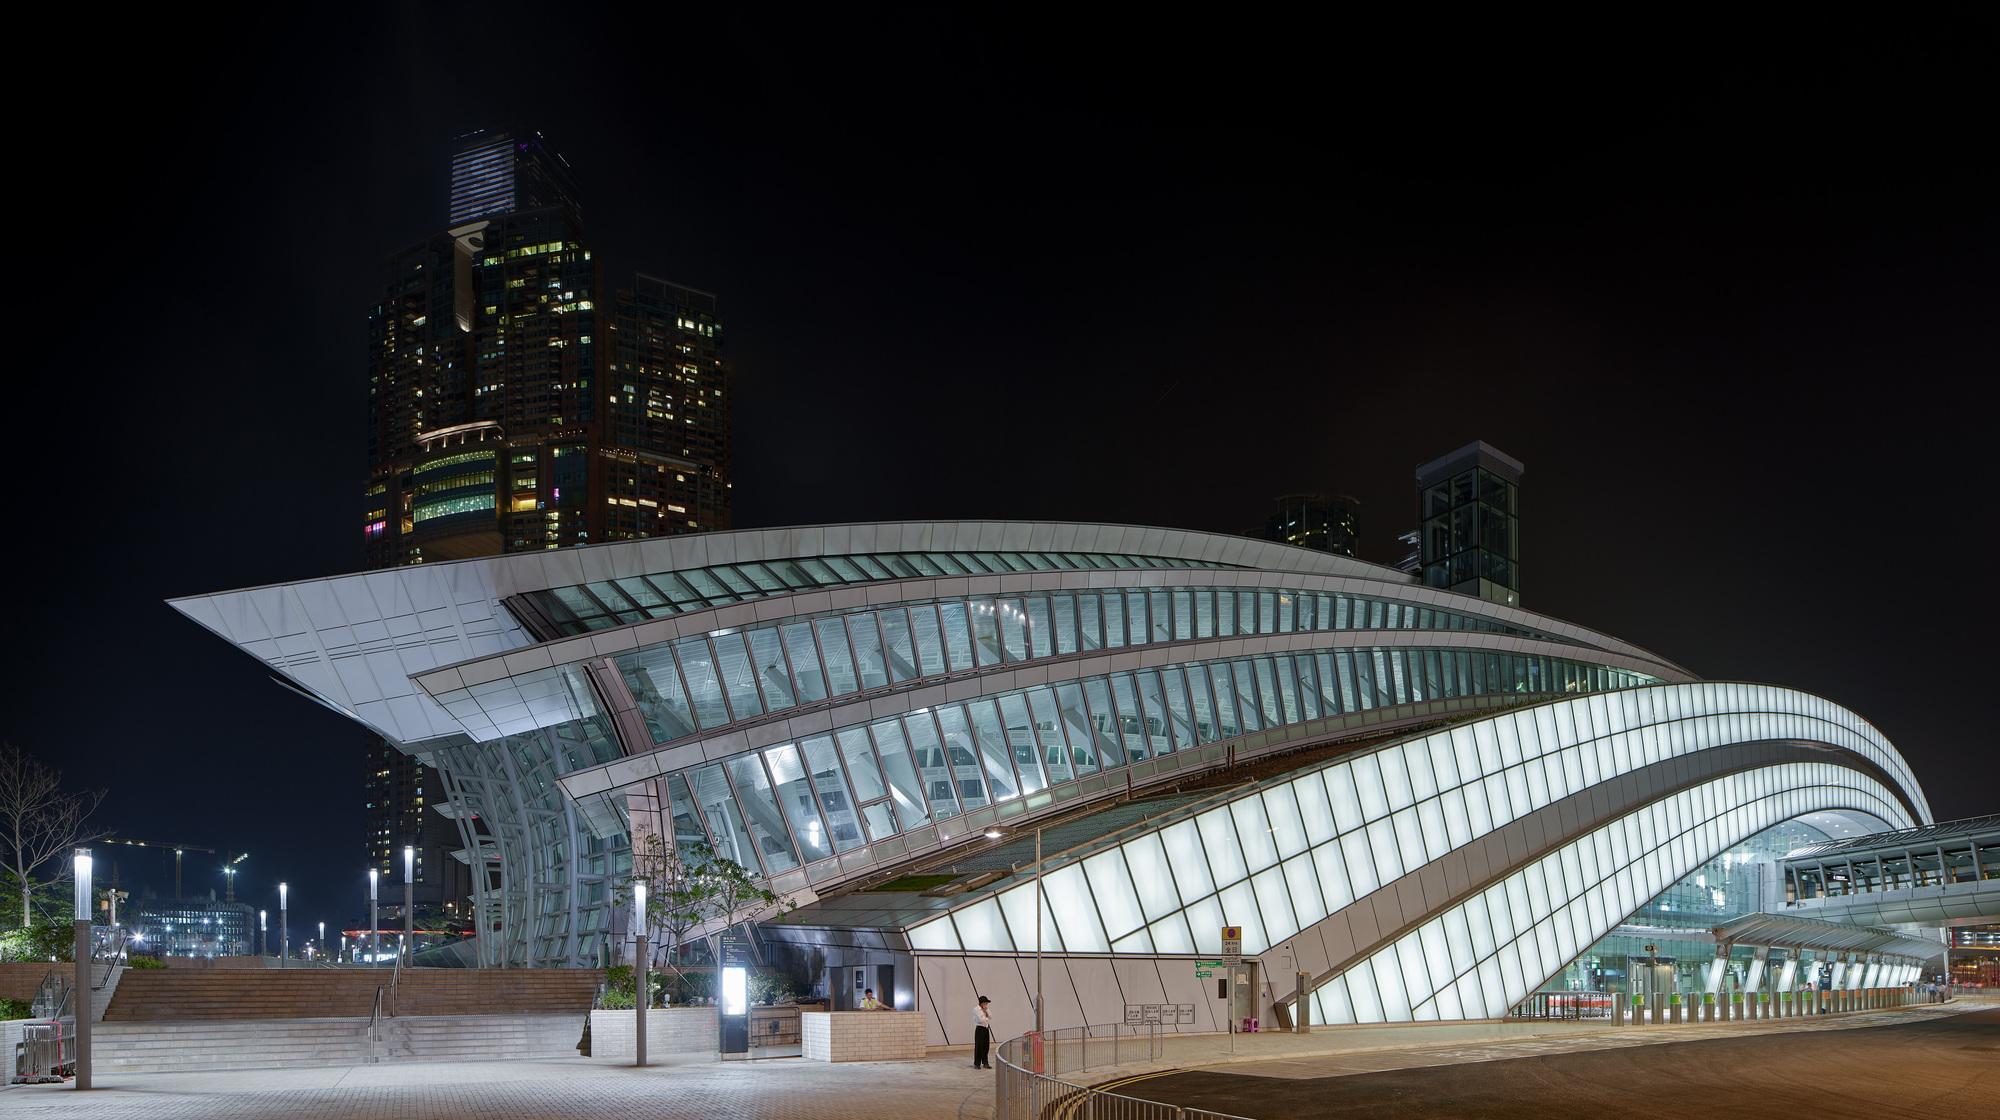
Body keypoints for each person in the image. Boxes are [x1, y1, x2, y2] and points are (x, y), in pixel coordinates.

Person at [972, 995, 994, 1069]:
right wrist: (986, 1018)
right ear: (982, 1003)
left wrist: (986, 1010)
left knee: (986, 1046)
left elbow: (991, 1016)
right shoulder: (976, 1009)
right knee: (979, 1046)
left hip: (986, 1028)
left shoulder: (985, 1009)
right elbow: (980, 1020)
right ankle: (977, 1063)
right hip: (980, 1029)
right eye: (986, 1003)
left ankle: (985, 1062)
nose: (986, 1004)